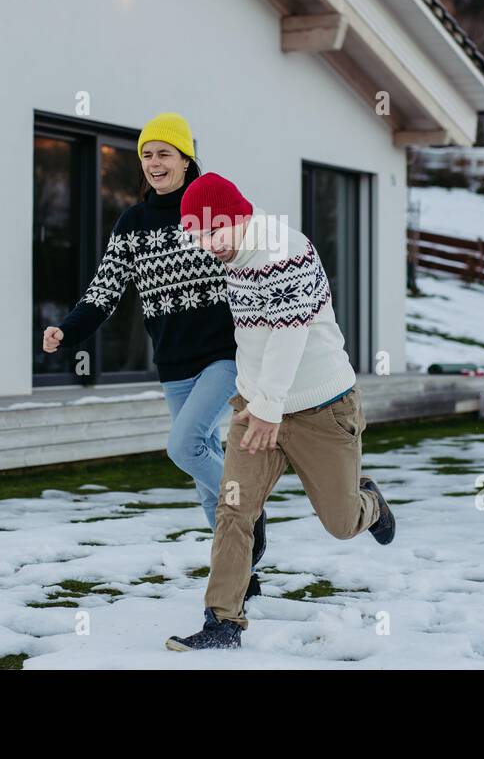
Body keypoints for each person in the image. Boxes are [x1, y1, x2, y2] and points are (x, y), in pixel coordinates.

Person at [165, 172, 395, 652]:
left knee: (340, 522)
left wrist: (268, 408)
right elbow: (256, 339)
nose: (208, 246)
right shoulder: (233, 254)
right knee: (233, 509)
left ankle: (367, 503)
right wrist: (257, 405)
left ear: (239, 216)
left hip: (322, 409)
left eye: (213, 232)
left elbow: (289, 335)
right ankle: (223, 622)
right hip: (257, 410)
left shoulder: (284, 250)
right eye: (198, 236)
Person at [42, 114, 267, 598]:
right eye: (147, 154)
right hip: (173, 364)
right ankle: (239, 573)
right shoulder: (132, 224)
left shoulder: (210, 208)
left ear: (186, 159)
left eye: (165, 153)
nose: (154, 163)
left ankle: (250, 515)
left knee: (184, 446)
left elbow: (254, 264)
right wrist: (68, 329)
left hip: (223, 356)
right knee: (205, 475)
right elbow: (104, 292)